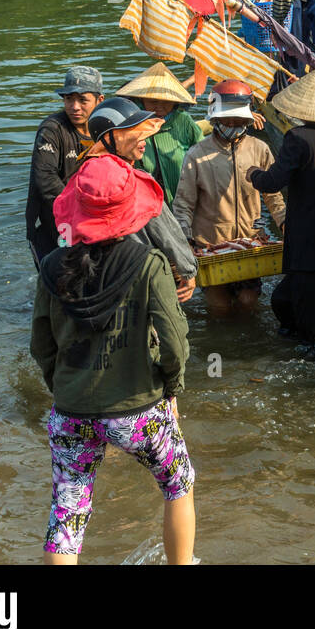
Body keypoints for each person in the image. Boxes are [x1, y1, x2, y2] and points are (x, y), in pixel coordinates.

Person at [31, 155, 195, 564]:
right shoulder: (148, 264)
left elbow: (41, 344)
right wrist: (171, 389)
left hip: (70, 410)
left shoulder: (51, 267)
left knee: (68, 511)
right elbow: (174, 342)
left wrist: (64, 386)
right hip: (137, 410)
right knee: (178, 485)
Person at [247, 68, 315, 345]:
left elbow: (273, 181)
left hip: (312, 246)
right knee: (285, 300)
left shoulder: (297, 138)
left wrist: (253, 175)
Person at [174, 80, 286, 316]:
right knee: (219, 306)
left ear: (248, 120)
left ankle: (245, 350)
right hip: (209, 245)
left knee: (248, 302)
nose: (233, 126)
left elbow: (273, 196)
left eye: (239, 122)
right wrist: (184, 241)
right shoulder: (197, 154)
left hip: (249, 241)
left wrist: (286, 224)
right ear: (215, 120)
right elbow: (183, 204)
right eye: (227, 121)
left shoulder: (259, 149)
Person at [76, 97, 199, 303]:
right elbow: (166, 231)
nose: (143, 141)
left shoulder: (81, 177)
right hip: (137, 273)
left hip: (93, 276)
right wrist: (188, 270)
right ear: (117, 139)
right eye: (136, 135)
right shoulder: (137, 180)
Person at [27, 66, 103, 267]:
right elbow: (45, 179)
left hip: (91, 221)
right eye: (69, 99)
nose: (75, 106)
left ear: (99, 100)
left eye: (82, 100)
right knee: (58, 273)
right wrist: (76, 210)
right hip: (56, 220)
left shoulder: (104, 130)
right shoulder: (52, 129)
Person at [116, 63, 203, 206]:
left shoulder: (183, 121)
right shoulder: (131, 124)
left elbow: (203, 154)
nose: (160, 107)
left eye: (166, 102)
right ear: (141, 100)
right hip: (141, 203)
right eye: (153, 101)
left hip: (181, 200)